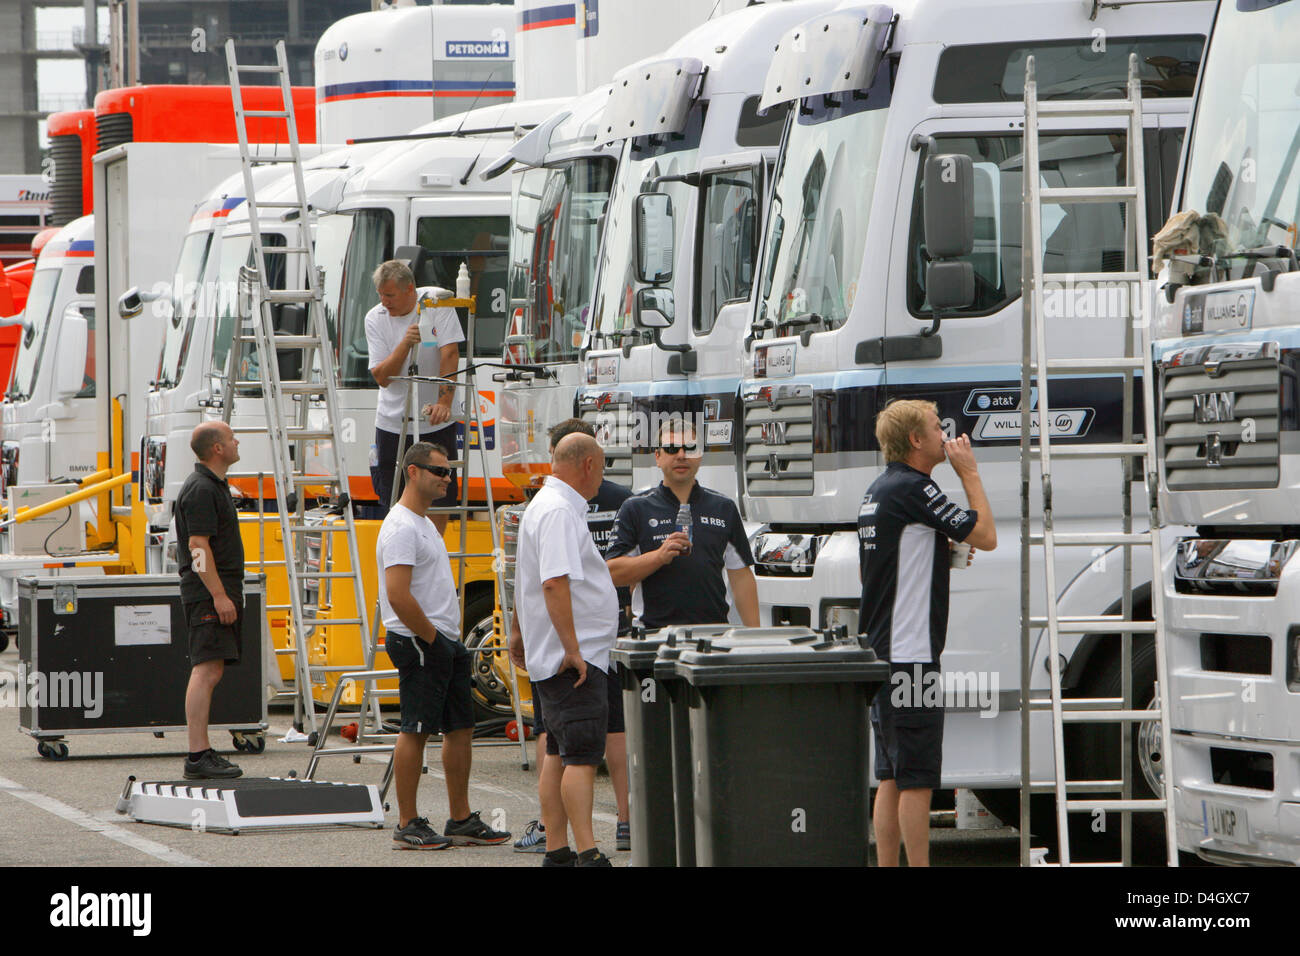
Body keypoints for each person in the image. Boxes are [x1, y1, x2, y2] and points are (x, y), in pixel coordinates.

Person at [858, 399, 996, 867]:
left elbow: (907, 557)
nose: (947, 435)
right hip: (911, 656)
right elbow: (986, 534)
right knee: (916, 778)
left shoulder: (881, 489)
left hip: (880, 651)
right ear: (915, 440)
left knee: (891, 775)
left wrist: (946, 553)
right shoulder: (916, 488)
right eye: (938, 428)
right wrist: (970, 474)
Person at [378, 441, 511, 850]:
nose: (447, 478)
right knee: (415, 729)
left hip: (443, 639)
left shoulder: (423, 522)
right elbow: (398, 595)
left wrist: (446, 640)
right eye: (439, 471)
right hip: (421, 640)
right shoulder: (401, 526)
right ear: (413, 472)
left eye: (449, 472)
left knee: (461, 727)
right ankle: (407, 822)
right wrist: (433, 640)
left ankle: (460, 818)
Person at [511, 419, 632, 855]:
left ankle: (558, 849)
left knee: (559, 756)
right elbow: (554, 583)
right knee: (580, 759)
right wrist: (574, 650)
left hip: (553, 656)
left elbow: (524, 579)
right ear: (587, 464)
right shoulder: (561, 511)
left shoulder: (542, 506)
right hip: (572, 661)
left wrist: (520, 632)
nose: (602, 479)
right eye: (600, 468)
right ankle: (587, 851)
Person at [606, 419, 759, 629]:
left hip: (712, 638)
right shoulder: (636, 508)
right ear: (657, 457)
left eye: (690, 447)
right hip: (654, 636)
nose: (681, 455)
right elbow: (612, 573)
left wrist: (755, 637)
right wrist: (658, 557)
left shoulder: (723, 508)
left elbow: (741, 576)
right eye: (671, 448)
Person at [365, 259, 464, 531]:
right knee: (394, 500)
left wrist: (444, 401)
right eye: (381, 295)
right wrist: (405, 345)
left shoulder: (435, 302)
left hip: (435, 422)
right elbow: (382, 377)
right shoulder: (375, 318)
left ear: (411, 289)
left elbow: (450, 353)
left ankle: (433, 553)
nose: (384, 301)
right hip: (392, 422)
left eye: (390, 295)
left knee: (439, 497)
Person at [176, 421, 246, 780]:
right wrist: (218, 595)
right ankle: (197, 754)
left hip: (217, 589)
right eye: (231, 438)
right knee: (205, 669)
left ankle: (200, 751)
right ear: (217, 448)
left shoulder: (213, 485)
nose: (237, 442)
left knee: (212, 668)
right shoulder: (201, 488)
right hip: (208, 594)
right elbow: (197, 546)